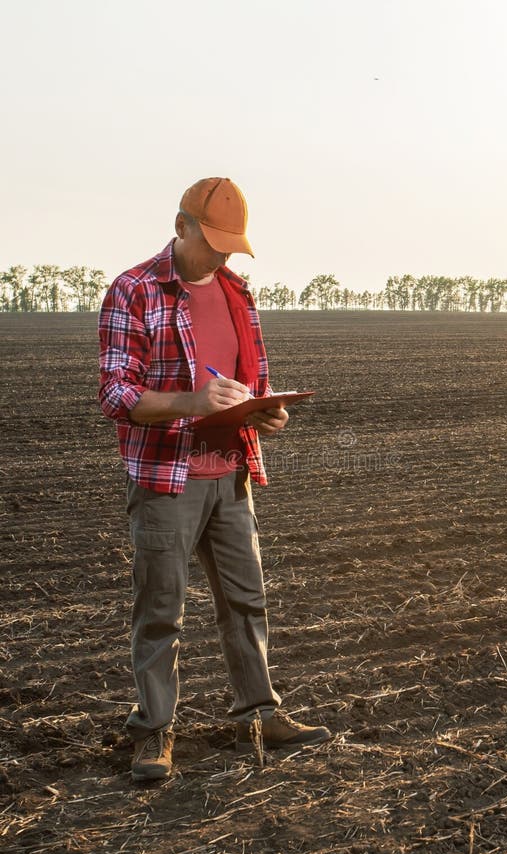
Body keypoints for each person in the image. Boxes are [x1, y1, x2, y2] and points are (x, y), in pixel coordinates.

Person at [98, 177, 331, 782]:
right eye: (216, 242)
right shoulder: (134, 291)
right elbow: (117, 394)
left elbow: (249, 379)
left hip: (232, 475)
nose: (226, 255)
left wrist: (262, 411)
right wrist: (192, 402)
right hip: (166, 479)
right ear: (181, 228)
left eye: (234, 244)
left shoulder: (239, 293)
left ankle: (258, 715)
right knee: (161, 611)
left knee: (246, 601)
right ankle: (152, 732)